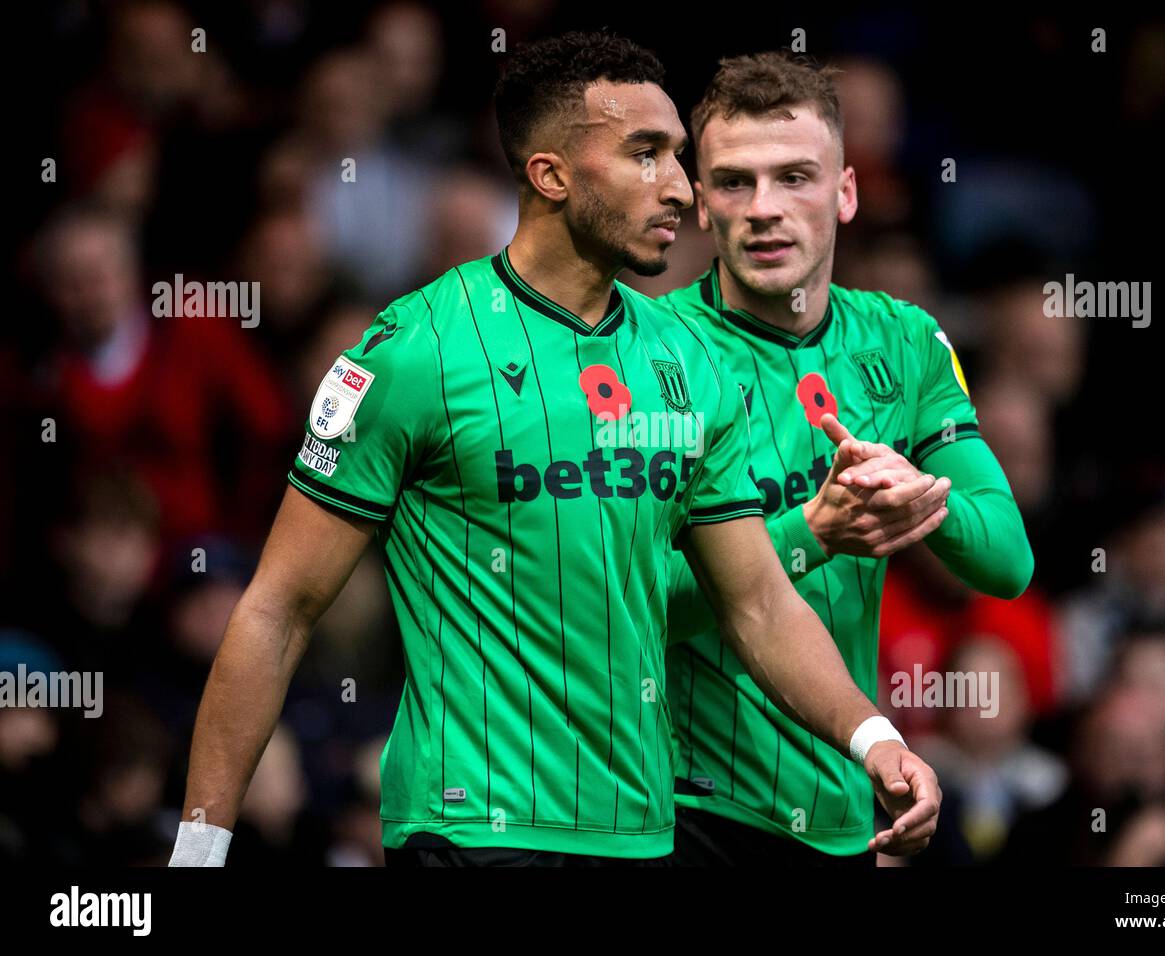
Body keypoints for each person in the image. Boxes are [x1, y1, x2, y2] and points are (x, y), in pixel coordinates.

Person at [169, 31, 939, 868]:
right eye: (646, 155)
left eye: (680, 157)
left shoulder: (692, 366)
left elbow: (757, 602)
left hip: (644, 837)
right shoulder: (414, 350)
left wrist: (873, 740)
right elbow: (277, 612)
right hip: (470, 829)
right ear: (551, 176)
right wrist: (201, 851)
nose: (682, 188)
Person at [661, 52, 1034, 864]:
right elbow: (632, 604)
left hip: (844, 806)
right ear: (698, 205)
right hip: (682, 810)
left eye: (795, 176)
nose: (764, 209)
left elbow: (1007, 560)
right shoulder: (643, 357)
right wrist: (813, 530)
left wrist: (920, 498)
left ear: (846, 192)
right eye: (733, 182)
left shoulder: (907, 341)